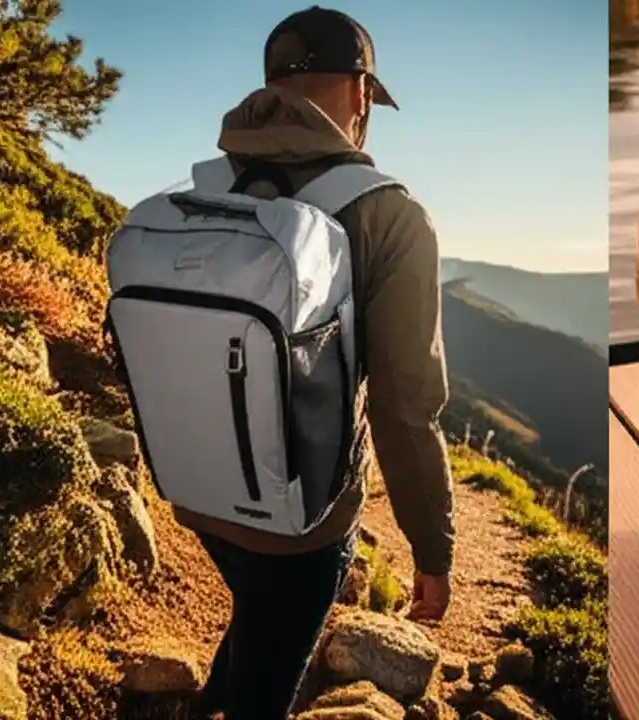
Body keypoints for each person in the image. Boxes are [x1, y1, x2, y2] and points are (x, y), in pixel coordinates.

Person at [175, 6, 456, 717]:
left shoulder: (204, 188)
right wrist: (432, 546)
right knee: (268, 675)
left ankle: (208, 701)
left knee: (256, 610)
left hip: (199, 488)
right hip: (303, 519)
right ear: (361, 94)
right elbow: (403, 406)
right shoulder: (388, 216)